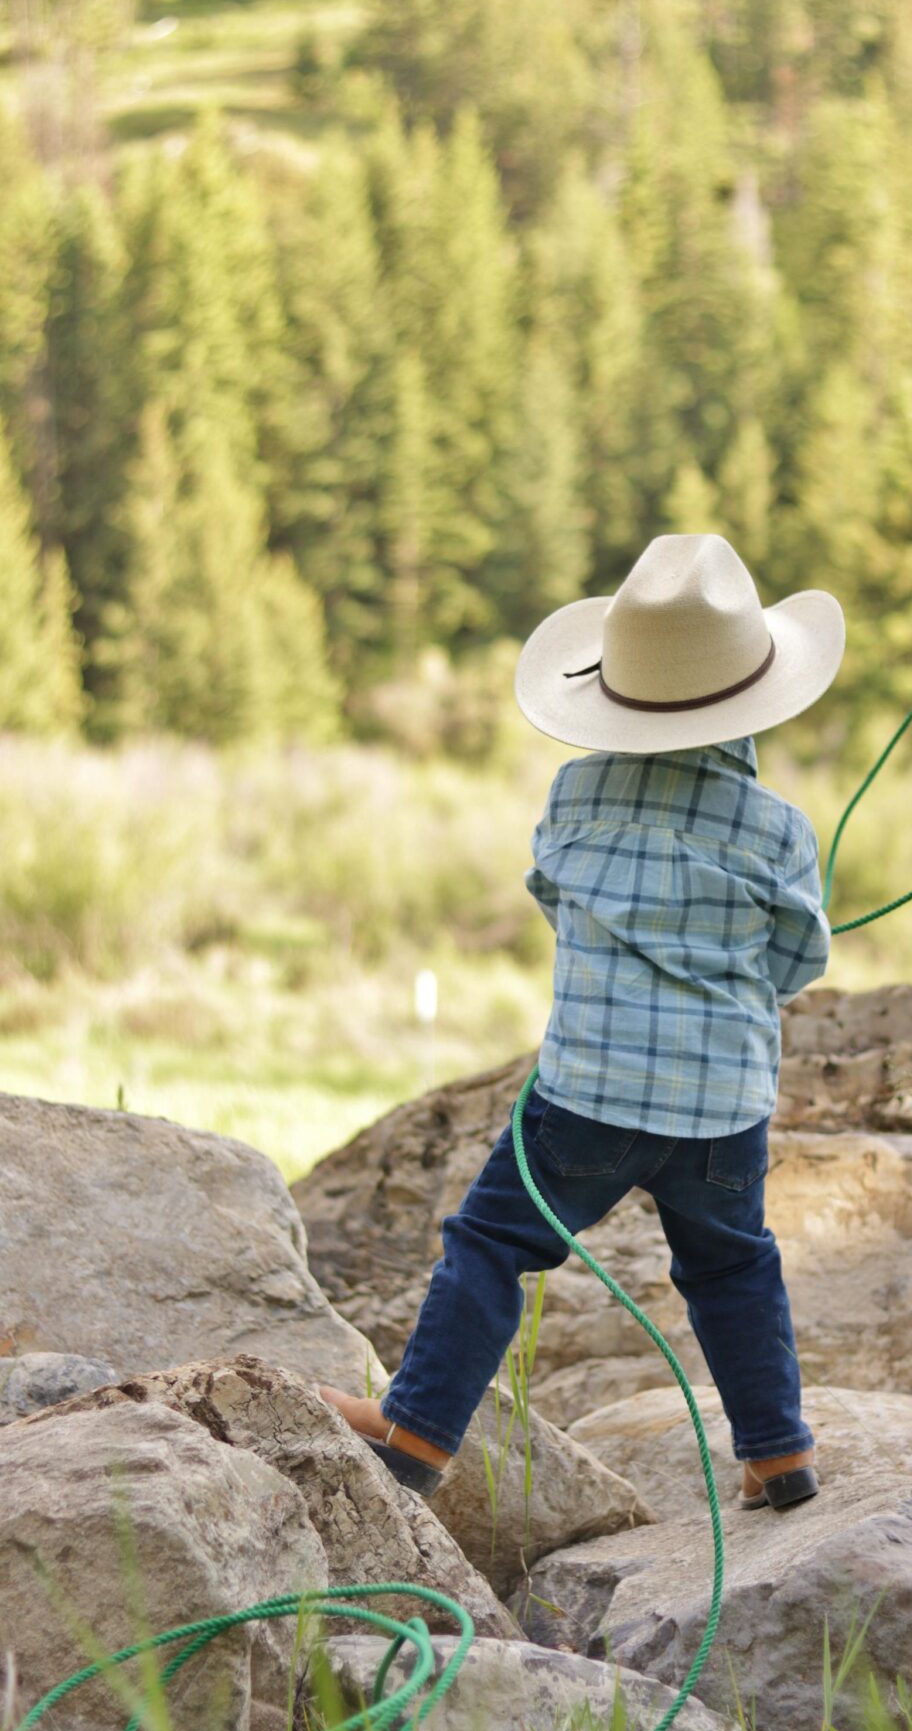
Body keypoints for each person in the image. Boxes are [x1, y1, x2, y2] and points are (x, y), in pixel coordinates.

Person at [321, 532, 845, 1511]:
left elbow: (555, 896)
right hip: (724, 1106)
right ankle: (778, 1454)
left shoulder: (575, 791)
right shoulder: (779, 827)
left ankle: (419, 1427)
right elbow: (799, 960)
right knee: (734, 1262)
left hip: (588, 1098)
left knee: (492, 1241)